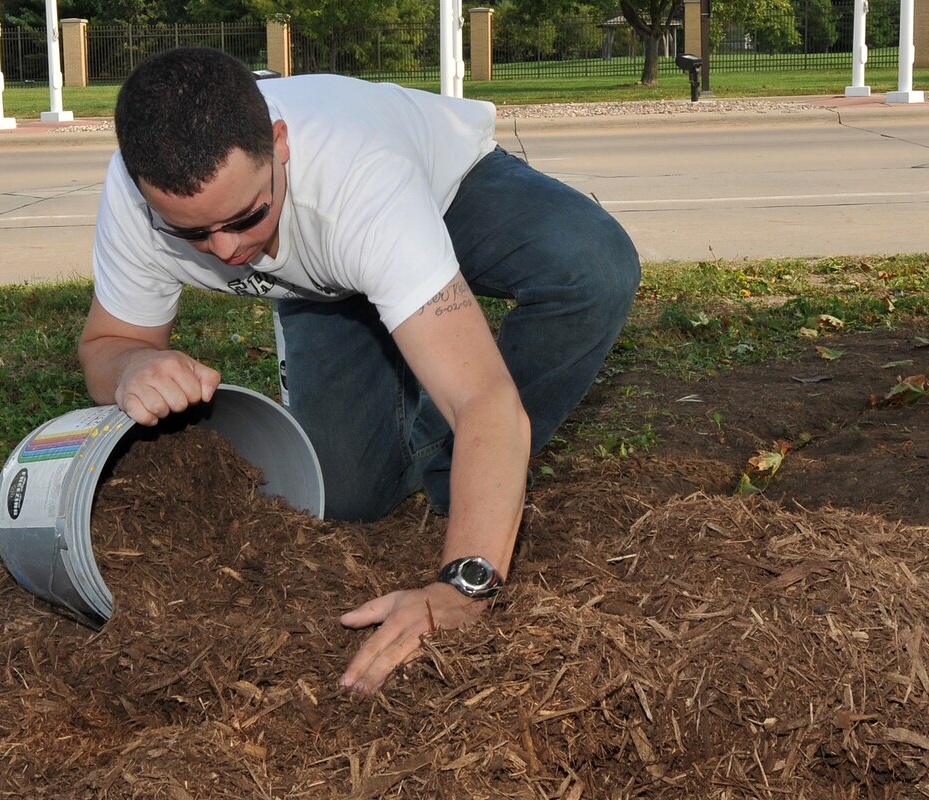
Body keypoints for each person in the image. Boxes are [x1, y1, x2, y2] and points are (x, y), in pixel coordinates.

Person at [77, 47, 640, 694]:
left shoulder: (362, 177)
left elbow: (484, 399)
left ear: (279, 145)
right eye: (192, 235)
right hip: (324, 281)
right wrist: (133, 367)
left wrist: (463, 587)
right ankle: (432, 405)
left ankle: (452, 453)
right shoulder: (134, 197)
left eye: (245, 217)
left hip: (445, 188)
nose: (228, 252)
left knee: (591, 268)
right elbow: (109, 342)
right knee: (347, 496)